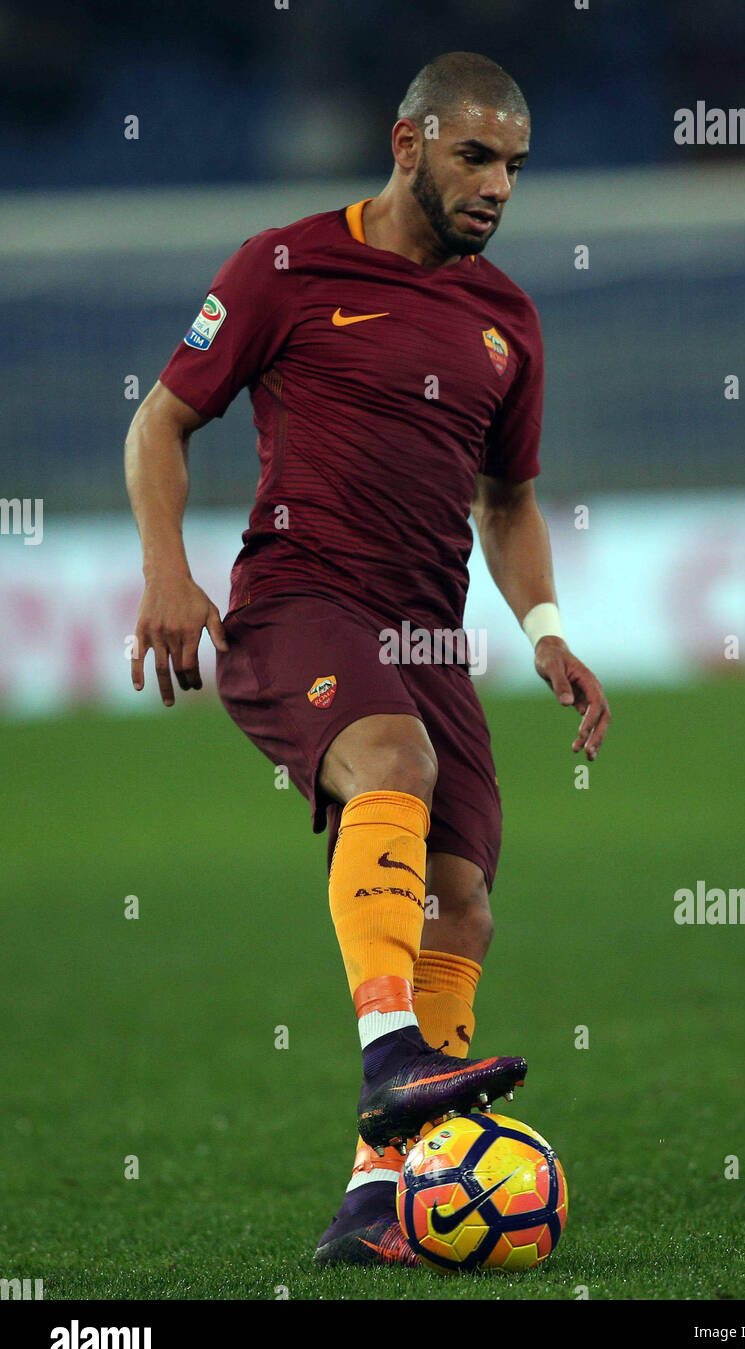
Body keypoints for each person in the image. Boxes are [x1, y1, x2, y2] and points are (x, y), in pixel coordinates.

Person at [125, 51, 610, 1268]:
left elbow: (507, 501)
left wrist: (547, 631)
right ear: (407, 144)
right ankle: (395, 1058)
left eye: (514, 165)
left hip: (428, 632)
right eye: (475, 156)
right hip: (298, 600)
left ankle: (378, 1195)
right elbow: (163, 417)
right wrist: (166, 571)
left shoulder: (506, 317)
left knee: (462, 899)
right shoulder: (283, 266)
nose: (499, 185)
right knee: (389, 759)